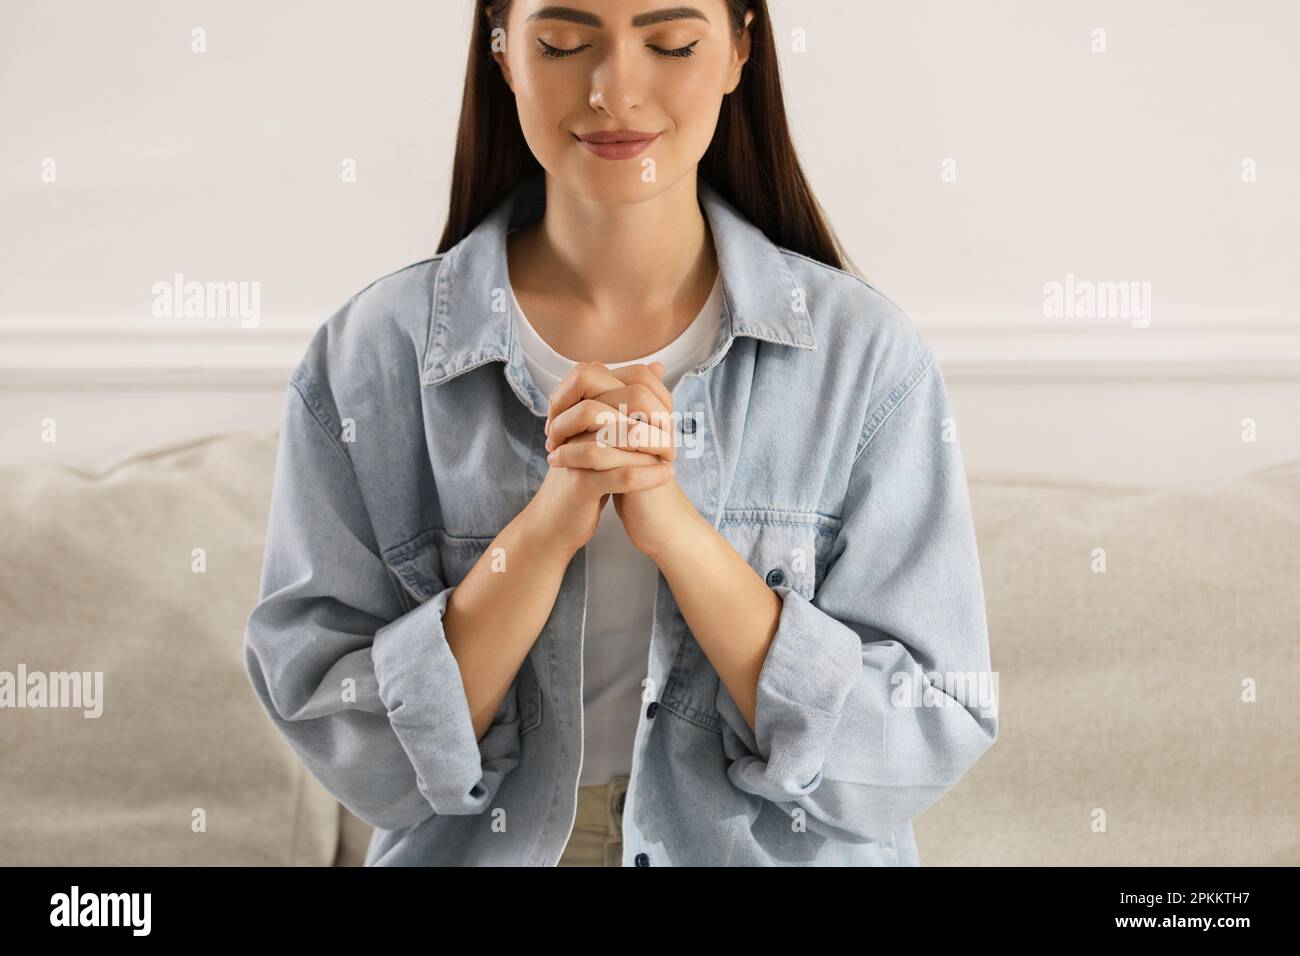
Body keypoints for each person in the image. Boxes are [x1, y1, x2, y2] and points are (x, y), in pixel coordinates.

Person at [243, 0, 998, 867]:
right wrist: (542, 534)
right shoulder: (369, 358)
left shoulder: (867, 361)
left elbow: (915, 745)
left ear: (739, 46)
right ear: (501, 48)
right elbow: (352, 746)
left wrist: (676, 532)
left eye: (669, 41)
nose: (614, 91)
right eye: (564, 44)